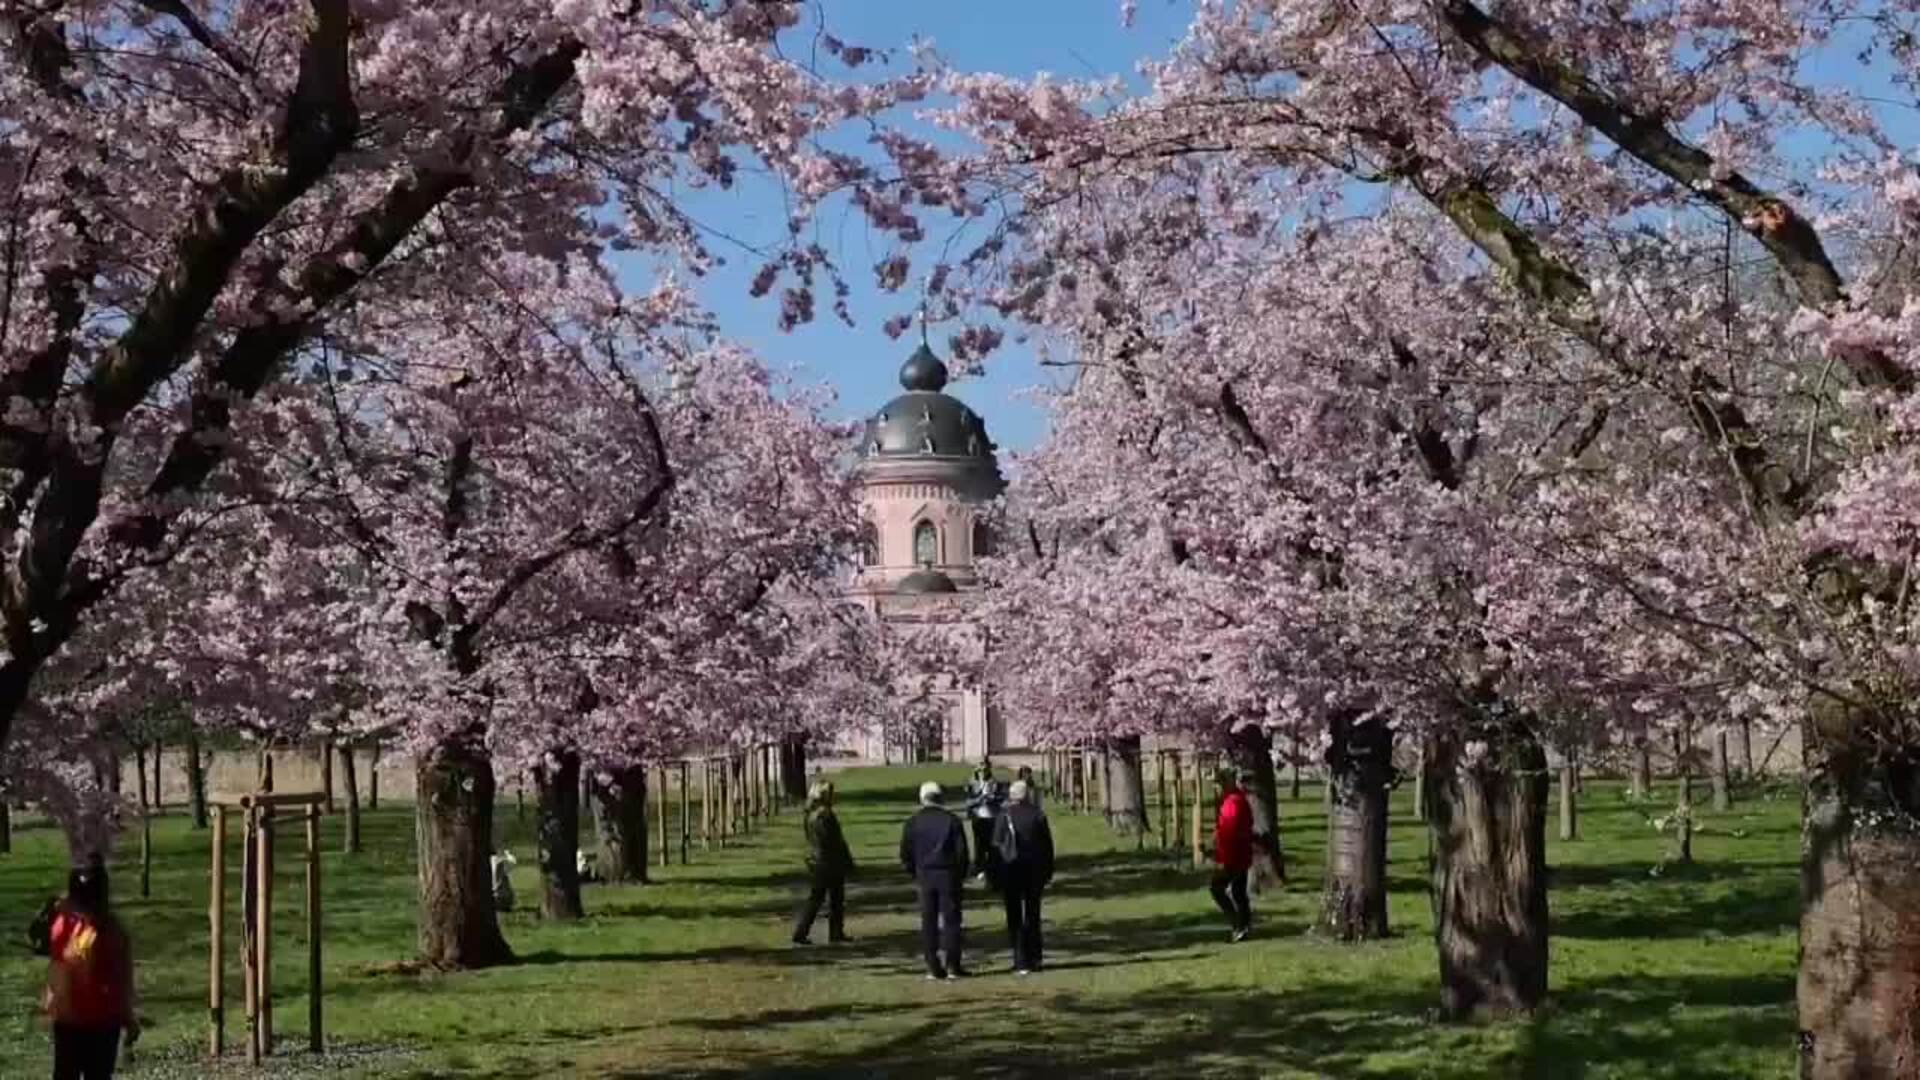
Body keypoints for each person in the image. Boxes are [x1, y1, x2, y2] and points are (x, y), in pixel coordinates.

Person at [42, 860, 138, 1080]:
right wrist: (127, 1015)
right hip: (96, 1022)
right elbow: (122, 978)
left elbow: (60, 967)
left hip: (76, 1020)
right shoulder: (111, 931)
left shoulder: (66, 924)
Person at [899, 780, 970, 980]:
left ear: (922, 799)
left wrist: (914, 871)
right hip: (948, 874)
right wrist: (960, 874)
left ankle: (932, 965)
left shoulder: (913, 822)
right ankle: (953, 965)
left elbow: (905, 853)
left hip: (925, 874)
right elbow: (962, 853)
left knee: (928, 920)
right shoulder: (952, 821)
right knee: (952, 920)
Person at [991, 779, 1055, 975]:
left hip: (1012, 870)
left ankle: (1020, 960)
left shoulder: (1004, 815)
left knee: (1014, 916)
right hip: (1034, 871)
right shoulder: (1038, 815)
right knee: (1033, 915)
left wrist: (995, 873)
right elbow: (1047, 847)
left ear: (1011, 796)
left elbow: (996, 844)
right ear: (1027, 795)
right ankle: (1035, 957)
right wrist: (1047, 870)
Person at [792, 781, 855, 946]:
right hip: (828, 861)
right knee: (832, 899)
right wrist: (845, 859)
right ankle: (830, 932)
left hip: (817, 859)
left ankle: (807, 932)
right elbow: (833, 840)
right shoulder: (824, 815)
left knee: (820, 899)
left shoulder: (810, 814)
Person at [1210, 768, 1256, 942]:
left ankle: (1237, 925)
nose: (1217, 790)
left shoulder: (1234, 802)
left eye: (1219, 785)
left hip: (1234, 856)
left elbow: (1231, 832)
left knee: (1217, 888)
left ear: (1227, 784)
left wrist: (1221, 858)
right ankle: (1244, 925)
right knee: (1238, 891)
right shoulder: (1236, 800)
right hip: (1240, 855)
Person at [963, 758, 1002, 880]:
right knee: (979, 844)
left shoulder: (994, 782)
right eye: (980, 768)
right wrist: (979, 800)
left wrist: (993, 798)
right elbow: (968, 802)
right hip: (978, 817)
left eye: (985, 769)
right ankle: (979, 867)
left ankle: (992, 868)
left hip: (991, 816)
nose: (983, 771)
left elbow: (1000, 800)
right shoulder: (972, 783)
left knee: (992, 844)